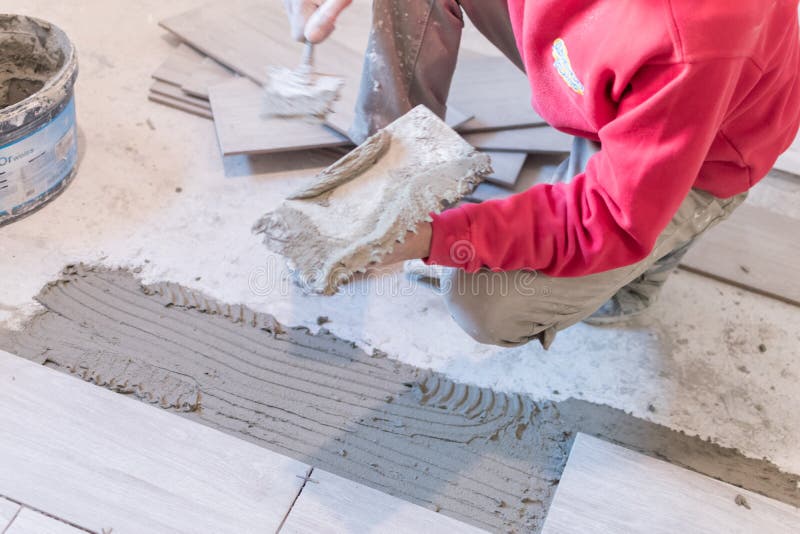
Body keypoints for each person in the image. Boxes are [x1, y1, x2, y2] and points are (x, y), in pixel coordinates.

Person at [284, 0, 800, 348]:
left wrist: (436, 238)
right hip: (615, 64)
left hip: (702, 145)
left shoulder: (702, 33)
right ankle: (388, 187)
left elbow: (605, 221)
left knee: (484, 302)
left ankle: (640, 274)